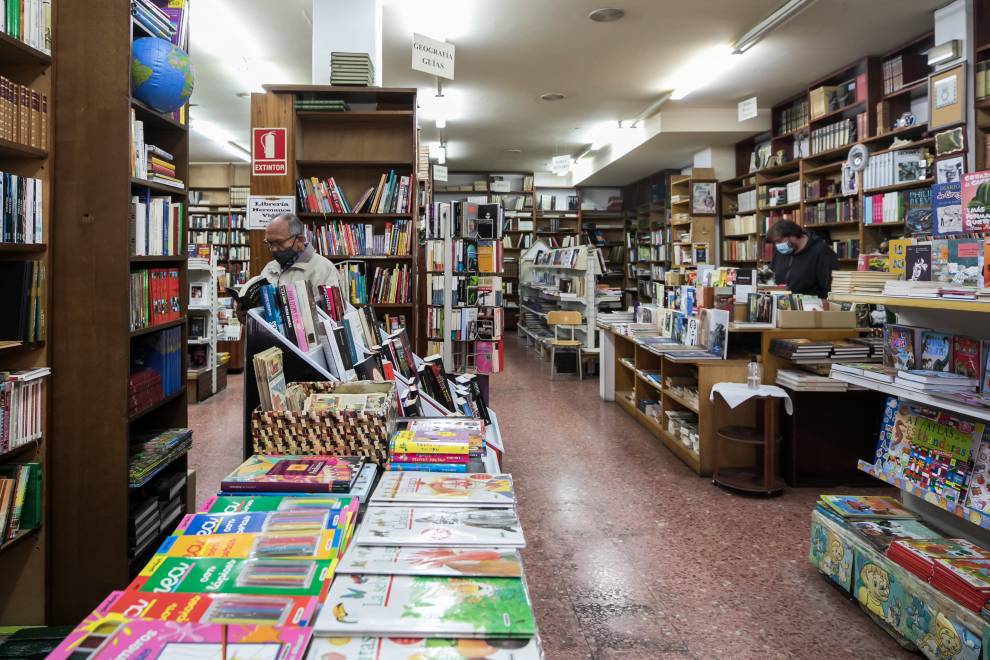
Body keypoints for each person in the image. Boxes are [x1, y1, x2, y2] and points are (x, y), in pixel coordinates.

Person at [235, 213, 341, 322]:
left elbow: (334, 318)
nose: (274, 249)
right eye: (270, 243)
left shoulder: (324, 269)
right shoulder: (269, 268)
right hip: (268, 337)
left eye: (279, 242)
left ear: (299, 240)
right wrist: (247, 317)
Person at [766, 219, 838, 298]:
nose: (777, 245)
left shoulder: (822, 251)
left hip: (811, 307)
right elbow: (771, 279)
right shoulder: (780, 252)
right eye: (775, 242)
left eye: (779, 241)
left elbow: (831, 288)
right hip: (781, 306)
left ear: (793, 236)